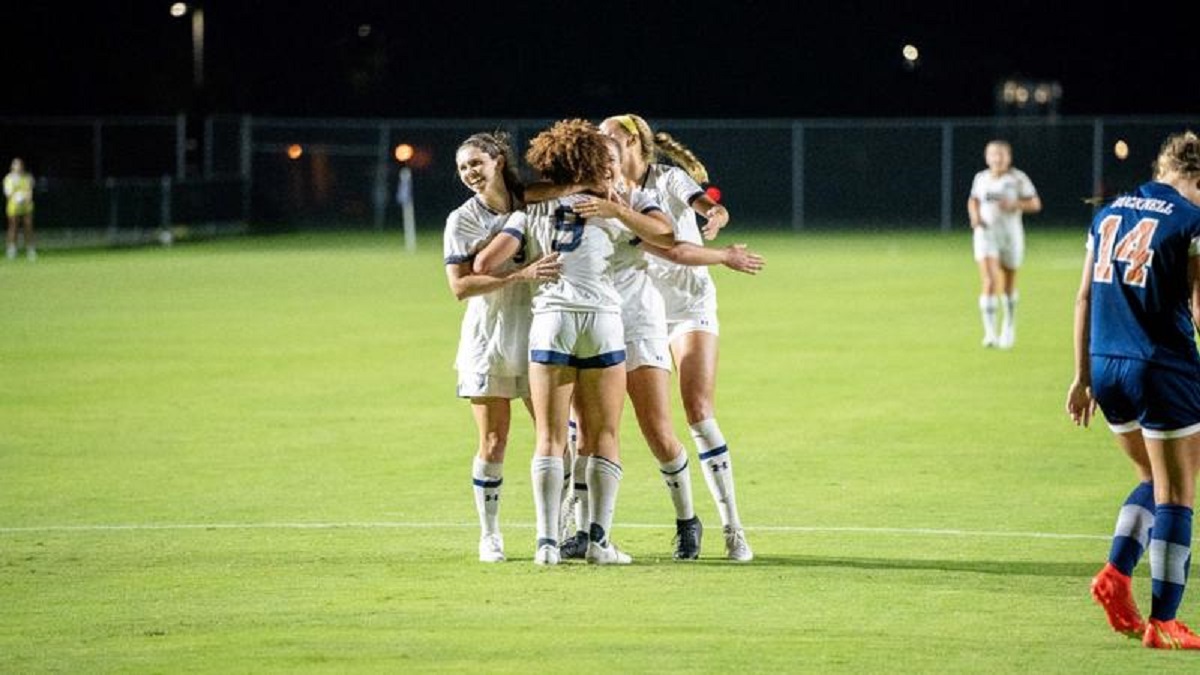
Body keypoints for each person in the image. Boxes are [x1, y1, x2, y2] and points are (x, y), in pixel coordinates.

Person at [475, 119, 674, 566]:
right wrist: (616, 210)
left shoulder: (532, 207)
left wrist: (523, 268)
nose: (613, 164)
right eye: (606, 159)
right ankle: (599, 544)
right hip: (602, 319)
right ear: (592, 164)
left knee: (549, 437)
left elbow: (487, 260)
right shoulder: (614, 205)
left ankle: (546, 544)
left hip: (550, 321)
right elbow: (666, 235)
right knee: (602, 434)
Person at [558, 135, 766, 562]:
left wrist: (722, 248)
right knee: (585, 430)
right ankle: (583, 531)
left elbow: (672, 241)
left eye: (611, 154)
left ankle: (691, 521)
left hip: (648, 320)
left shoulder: (649, 193)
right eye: (597, 157)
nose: (606, 163)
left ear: (628, 150)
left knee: (661, 428)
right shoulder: (572, 201)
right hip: (596, 325)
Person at [1066, 130, 1200, 649]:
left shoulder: (1108, 214)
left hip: (1105, 367)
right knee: (1179, 491)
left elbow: (1082, 299)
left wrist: (1081, 378)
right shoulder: (1190, 221)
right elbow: (1197, 307)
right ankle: (1163, 621)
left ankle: (1117, 575)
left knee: (1150, 474)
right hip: (1161, 366)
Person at [443, 131, 562, 563]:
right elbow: (460, 286)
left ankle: (555, 529)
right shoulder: (463, 220)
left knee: (557, 437)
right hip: (488, 336)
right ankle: (489, 535)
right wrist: (521, 275)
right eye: (462, 168)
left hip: (538, 333)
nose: (470, 173)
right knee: (494, 441)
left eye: (476, 162)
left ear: (496, 159)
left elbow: (570, 189)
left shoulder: (531, 200)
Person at [967, 140, 1041, 349]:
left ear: (1008, 157)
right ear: (987, 157)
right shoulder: (981, 179)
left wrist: (1016, 204)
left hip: (1010, 236)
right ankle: (990, 333)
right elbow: (973, 200)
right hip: (986, 234)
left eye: (1001, 155)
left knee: (1008, 284)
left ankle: (1008, 325)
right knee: (990, 280)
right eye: (993, 154)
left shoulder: (1018, 179)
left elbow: (1035, 204)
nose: (997, 159)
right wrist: (974, 216)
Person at [4, 158, 36, 261]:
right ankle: (12, 250)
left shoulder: (28, 177)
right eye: (15, 165)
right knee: (13, 228)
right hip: (13, 207)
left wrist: (25, 197)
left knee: (28, 227)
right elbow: (8, 193)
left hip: (26, 207)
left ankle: (30, 250)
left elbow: (30, 191)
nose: (18, 167)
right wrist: (16, 197)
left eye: (19, 165)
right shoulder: (8, 178)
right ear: (12, 167)